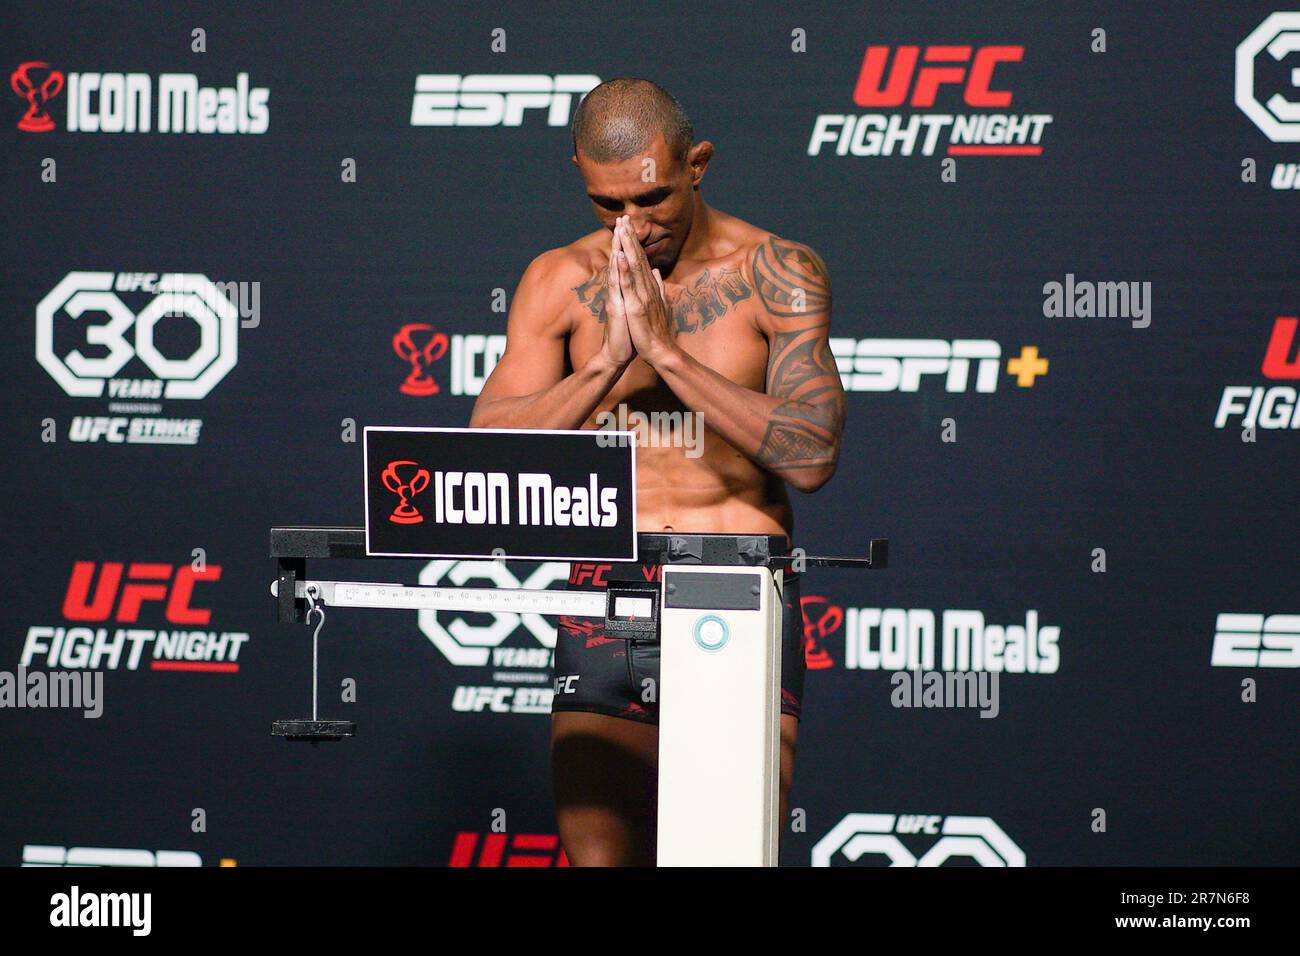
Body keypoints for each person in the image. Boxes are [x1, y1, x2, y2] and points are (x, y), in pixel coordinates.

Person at [469, 77, 845, 865]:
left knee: (725, 855)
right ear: (577, 170)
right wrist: (606, 365)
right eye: (609, 206)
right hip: (610, 589)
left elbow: (812, 455)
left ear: (698, 163)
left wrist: (668, 355)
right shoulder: (557, 281)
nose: (632, 229)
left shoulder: (776, 271)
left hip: (736, 586)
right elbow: (488, 446)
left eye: (653, 201)